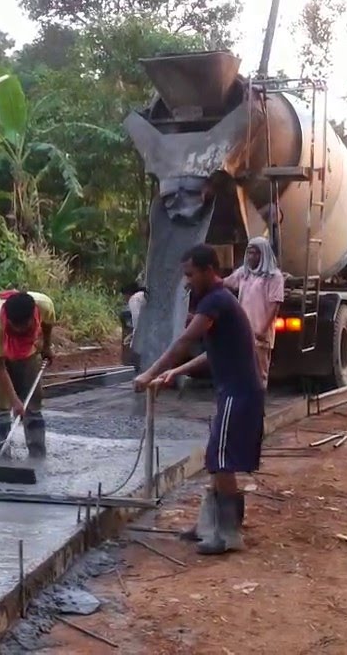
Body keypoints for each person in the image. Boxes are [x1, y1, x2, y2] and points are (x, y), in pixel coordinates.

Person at [134, 244, 264, 555]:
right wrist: (175, 371)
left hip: (239, 393)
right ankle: (209, 525)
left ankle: (229, 534)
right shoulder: (218, 301)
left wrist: (149, 373)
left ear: (208, 271)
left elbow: (185, 341)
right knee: (215, 457)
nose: (187, 281)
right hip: (234, 391)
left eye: (191, 275)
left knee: (221, 460)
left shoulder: (216, 301)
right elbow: (210, 353)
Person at [0, 290, 56, 458]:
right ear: (8, 321)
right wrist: (14, 401)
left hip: (27, 346)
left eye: (23, 327)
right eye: (15, 327)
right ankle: (4, 458)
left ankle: (38, 455)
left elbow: (48, 323)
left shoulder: (43, 305)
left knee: (32, 401)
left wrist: (47, 346)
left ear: (32, 319)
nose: (19, 330)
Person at [224, 237, 285, 389]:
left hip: (259, 335)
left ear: (263, 254)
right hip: (242, 332)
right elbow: (225, 283)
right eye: (249, 253)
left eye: (255, 253)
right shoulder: (244, 273)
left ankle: (258, 410)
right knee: (240, 373)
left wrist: (261, 330)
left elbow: (274, 306)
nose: (251, 257)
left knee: (259, 375)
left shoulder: (274, 277)